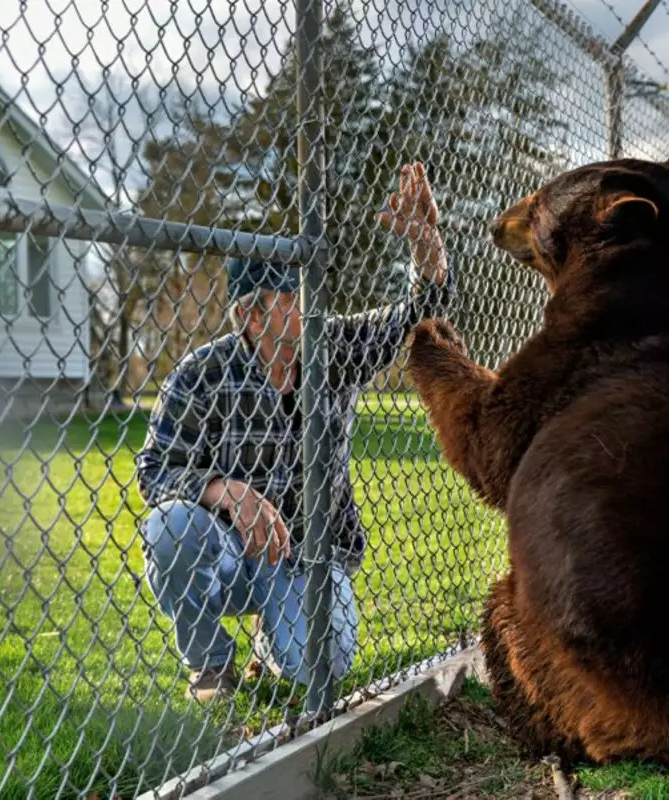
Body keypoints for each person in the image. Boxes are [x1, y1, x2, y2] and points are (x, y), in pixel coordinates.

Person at [134, 162, 455, 701]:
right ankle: (211, 664)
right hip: (226, 556)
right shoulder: (200, 374)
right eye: (291, 295)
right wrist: (223, 490)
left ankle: (270, 640)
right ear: (251, 316)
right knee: (170, 528)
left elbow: (418, 312)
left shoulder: (332, 348)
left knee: (324, 666)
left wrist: (428, 250)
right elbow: (154, 472)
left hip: (307, 556)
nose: (309, 304)